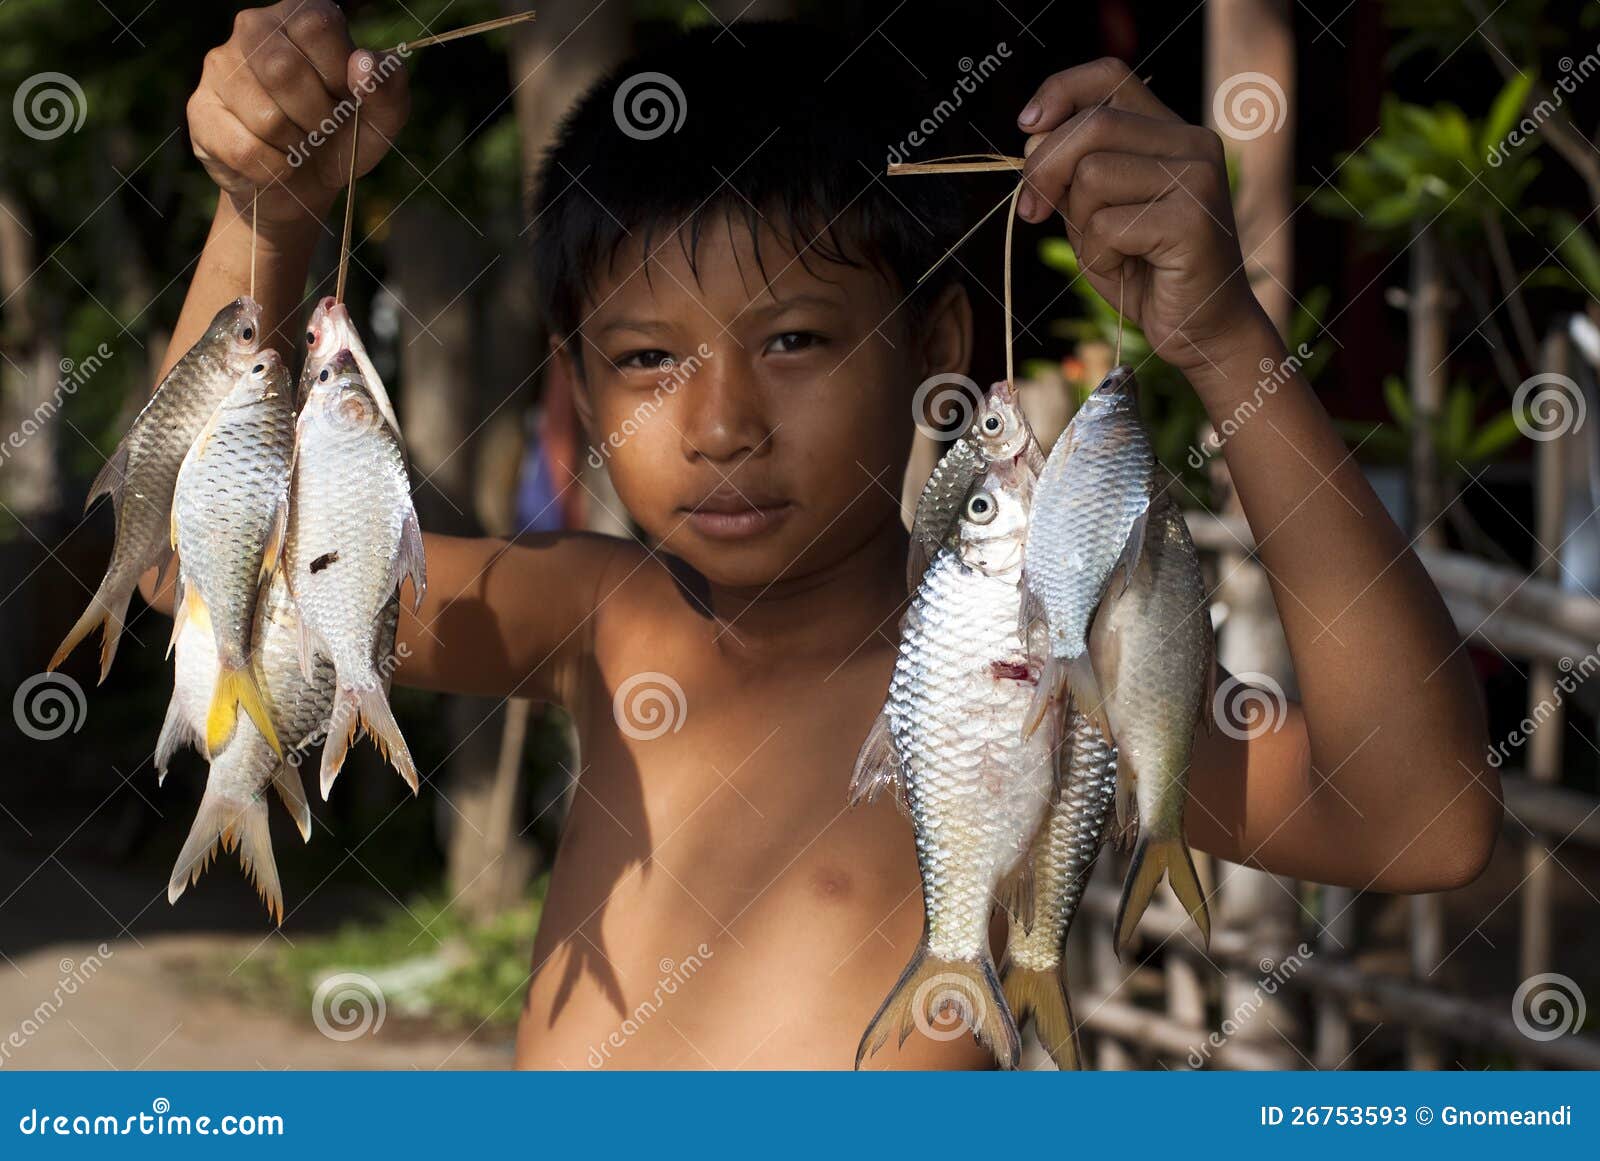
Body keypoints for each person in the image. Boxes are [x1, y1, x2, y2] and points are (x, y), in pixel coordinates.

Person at [144, 2, 1497, 1069]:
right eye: (647, 358)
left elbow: (1422, 821)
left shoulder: (1031, 674)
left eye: (794, 339)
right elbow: (193, 571)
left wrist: (1225, 344)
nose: (723, 420)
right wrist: (270, 211)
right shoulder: (601, 622)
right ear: (577, 380)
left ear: (940, 350)